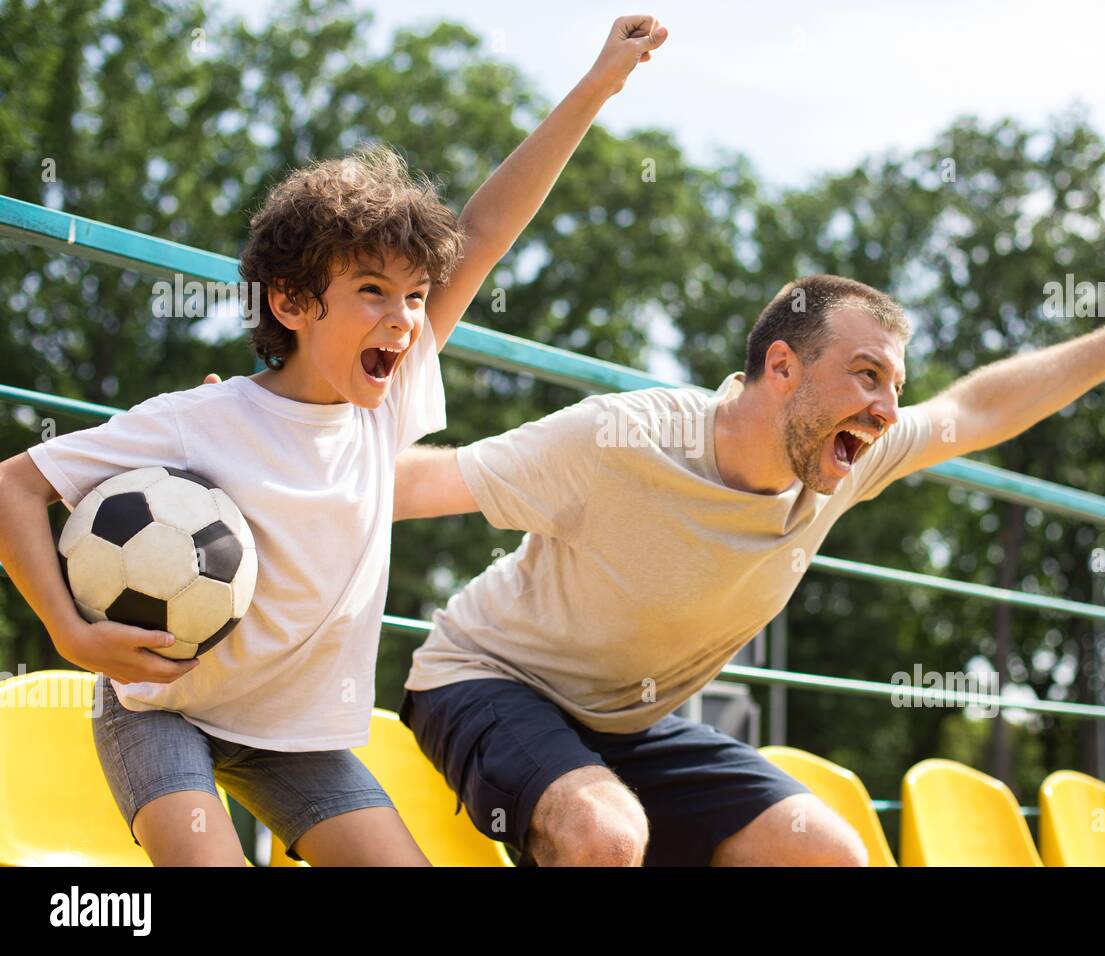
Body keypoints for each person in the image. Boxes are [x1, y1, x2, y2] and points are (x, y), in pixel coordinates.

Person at [0, 14, 669, 866]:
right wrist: (69, 633)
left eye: (416, 296)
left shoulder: (383, 406)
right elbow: (13, 484)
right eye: (371, 291)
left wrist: (599, 84)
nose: (404, 318)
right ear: (289, 302)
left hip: (293, 740)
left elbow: (486, 231)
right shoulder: (199, 419)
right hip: (161, 714)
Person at [391, 244, 1105, 865]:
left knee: (829, 853)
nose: (887, 411)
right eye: (867, 376)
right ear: (781, 367)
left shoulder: (848, 461)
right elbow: (414, 483)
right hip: (487, 679)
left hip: (625, 720)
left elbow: (976, 409)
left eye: (895, 388)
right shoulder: (620, 439)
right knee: (604, 835)